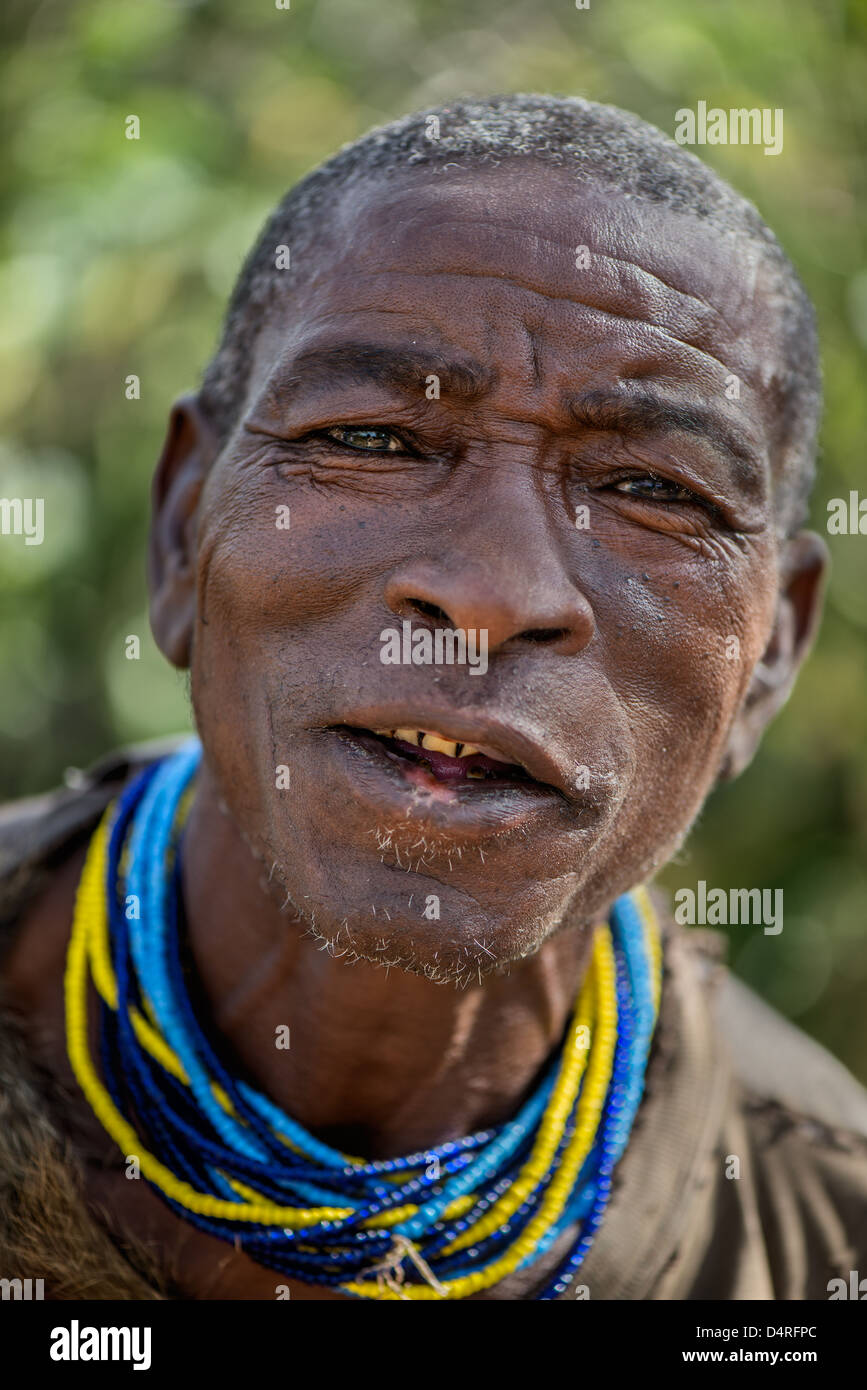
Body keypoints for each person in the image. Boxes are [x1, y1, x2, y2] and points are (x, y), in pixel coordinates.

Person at [1, 94, 865, 1302]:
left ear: (770, 652)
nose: (494, 593)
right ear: (182, 531)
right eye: (376, 438)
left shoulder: (818, 1245)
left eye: (647, 488)